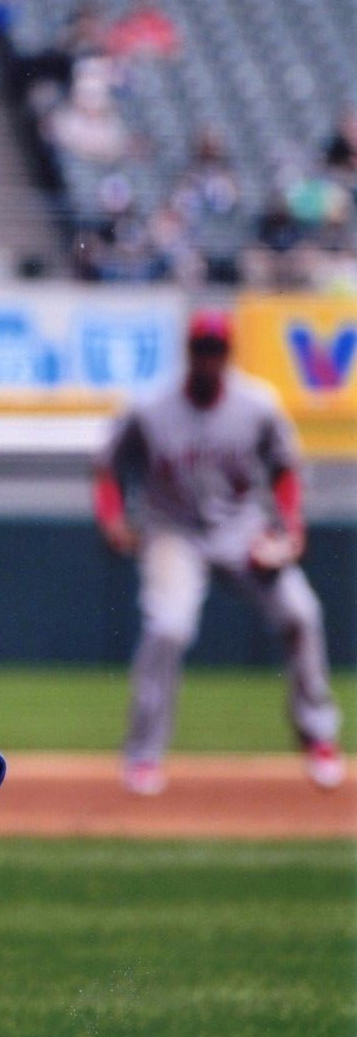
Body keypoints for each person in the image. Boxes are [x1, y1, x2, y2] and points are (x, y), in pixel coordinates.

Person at [93, 311, 344, 796]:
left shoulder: (257, 404)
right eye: (202, 348)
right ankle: (144, 755)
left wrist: (290, 526)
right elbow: (106, 465)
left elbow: (286, 469)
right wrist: (112, 518)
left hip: (242, 528)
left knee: (301, 613)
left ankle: (317, 736)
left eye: (217, 349)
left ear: (228, 353)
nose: (210, 358)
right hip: (173, 531)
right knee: (167, 627)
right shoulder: (149, 407)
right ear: (189, 352)